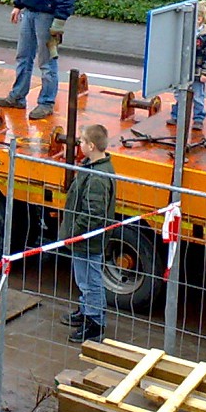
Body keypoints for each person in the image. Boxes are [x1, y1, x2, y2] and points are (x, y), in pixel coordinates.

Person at [60, 124, 117, 344]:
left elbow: (93, 213)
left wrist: (74, 232)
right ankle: (85, 311)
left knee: (90, 281)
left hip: (87, 240)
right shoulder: (96, 167)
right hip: (86, 239)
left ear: (91, 146)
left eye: (82, 141)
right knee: (84, 278)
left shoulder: (97, 178)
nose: (79, 144)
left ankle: (94, 323)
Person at [169, 0, 206, 131]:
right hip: (184, 72)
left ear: (199, 19)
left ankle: (198, 119)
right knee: (180, 94)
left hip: (197, 73)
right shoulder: (186, 33)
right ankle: (177, 115)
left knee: (198, 97)